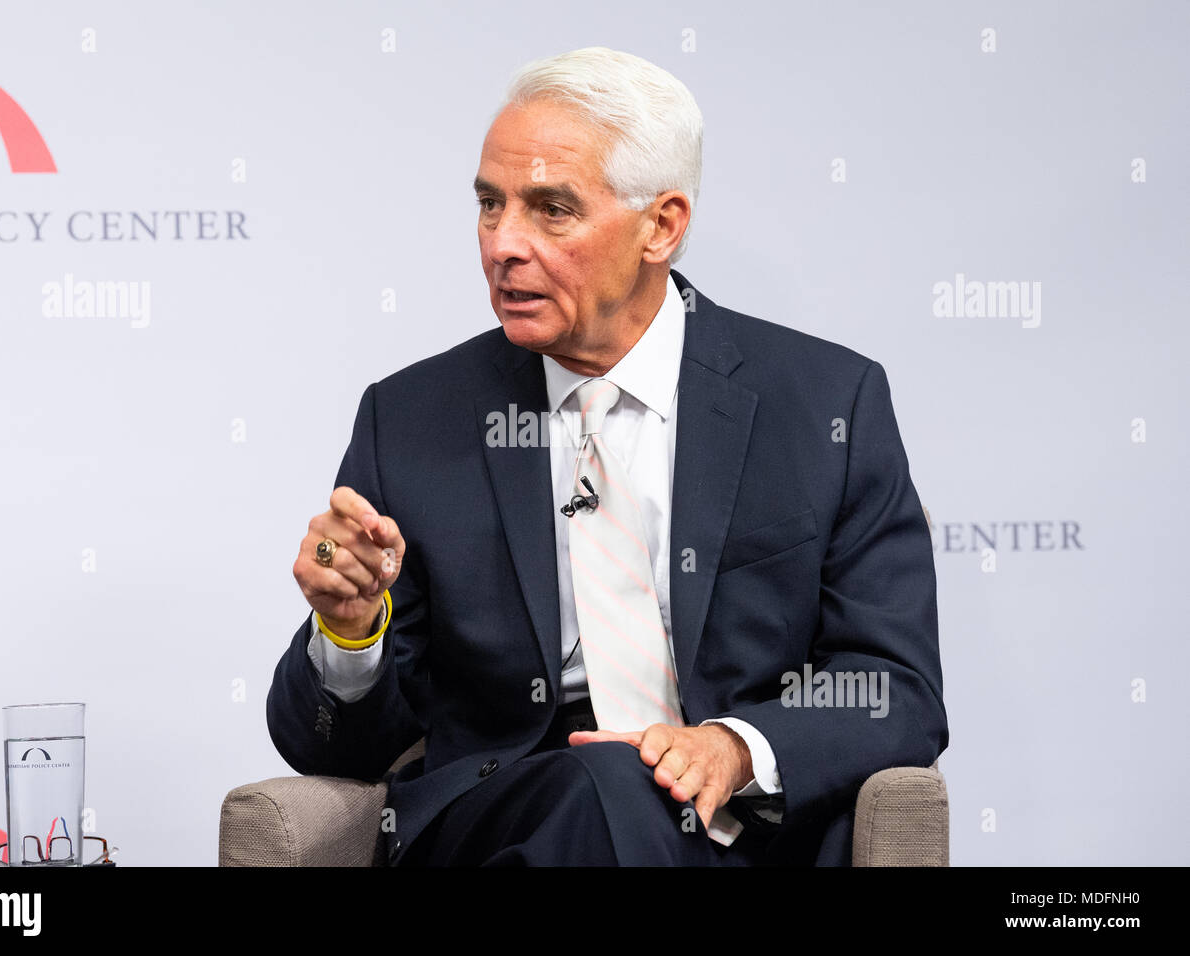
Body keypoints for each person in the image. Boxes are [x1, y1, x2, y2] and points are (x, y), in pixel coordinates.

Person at [267, 46, 948, 866]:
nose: (503, 244)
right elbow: (336, 752)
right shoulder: (413, 419)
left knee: (625, 790)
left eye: (551, 210)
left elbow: (896, 691)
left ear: (661, 226)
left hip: (741, 830)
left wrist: (734, 748)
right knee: (601, 787)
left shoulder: (825, 404)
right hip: (509, 817)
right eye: (490, 204)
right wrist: (348, 636)